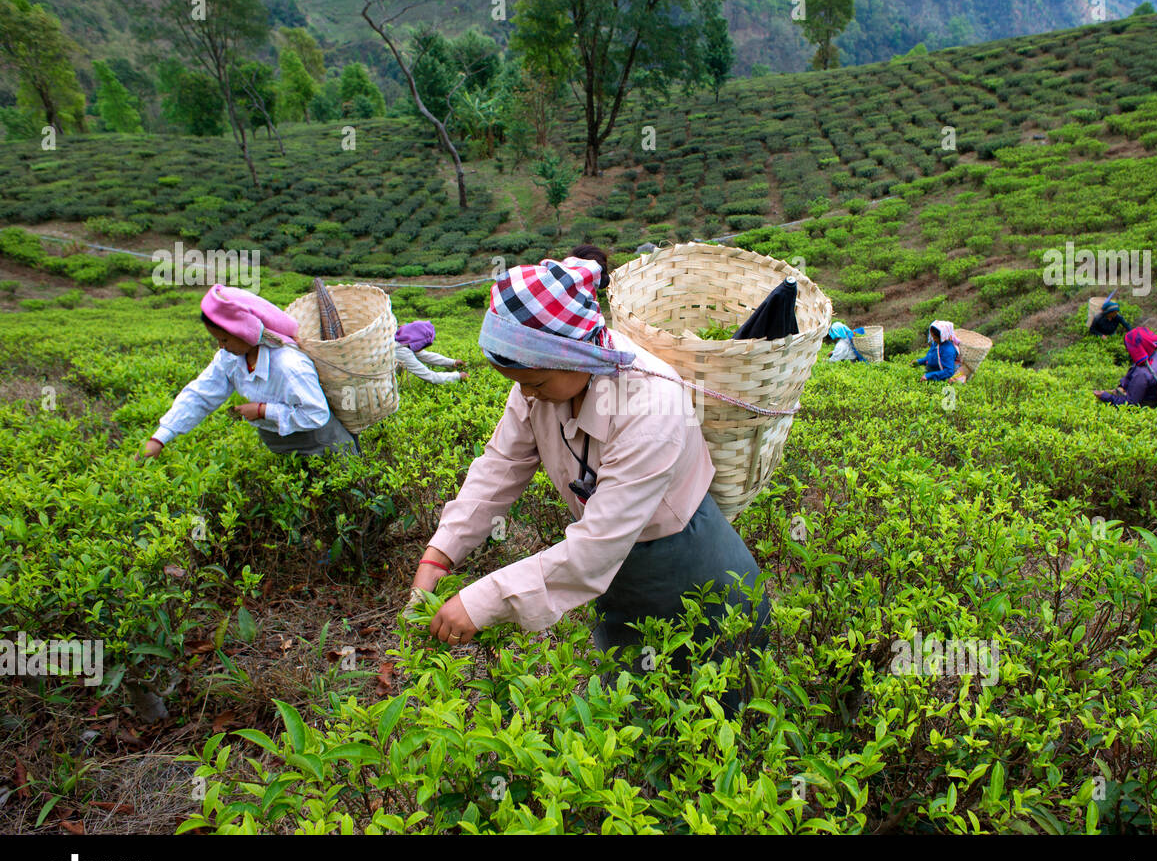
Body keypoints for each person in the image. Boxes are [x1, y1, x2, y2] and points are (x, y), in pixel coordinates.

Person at [408, 252, 771, 716]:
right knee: (633, 704)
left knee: (712, 705)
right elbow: (500, 467)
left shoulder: (652, 406)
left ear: (579, 355)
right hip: (614, 572)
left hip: (687, 564)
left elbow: (593, 550)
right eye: (517, 383)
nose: (527, 395)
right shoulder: (538, 379)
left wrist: (482, 600)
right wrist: (441, 552)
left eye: (535, 382)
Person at [137, 284, 358, 460]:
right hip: (285, 452)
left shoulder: (289, 365)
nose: (221, 347)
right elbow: (201, 394)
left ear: (244, 332)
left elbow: (316, 414)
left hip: (327, 450)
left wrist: (263, 411)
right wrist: (160, 438)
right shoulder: (231, 358)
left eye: (224, 339)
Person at [1094, 326, 1157, 408]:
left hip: (1145, 405)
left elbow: (1130, 403)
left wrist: (1105, 396)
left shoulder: (1141, 374)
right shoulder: (1156, 355)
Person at [394, 319, 468, 385]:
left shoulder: (403, 339)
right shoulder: (401, 350)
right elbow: (430, 376)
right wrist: (458, 376)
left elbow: (425, 355)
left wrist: (452, 362)